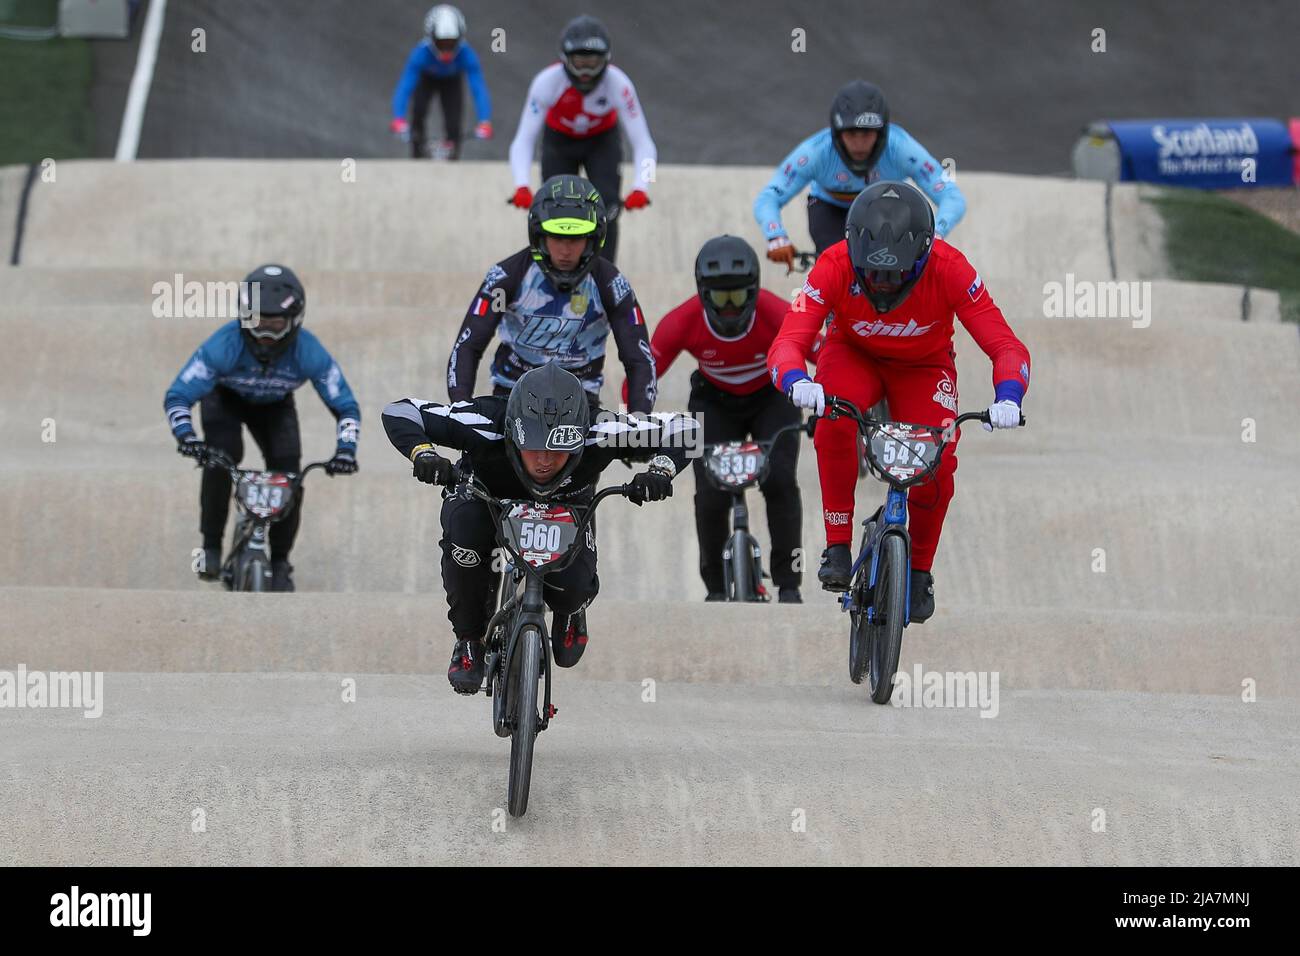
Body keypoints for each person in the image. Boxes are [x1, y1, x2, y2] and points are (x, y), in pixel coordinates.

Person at [767, 182, 1029, 622]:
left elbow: (1007, 347)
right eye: (872, 273)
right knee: (833, 422)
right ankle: (836, 544)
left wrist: (1008, 395)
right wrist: (796, 380)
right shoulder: (832, 264)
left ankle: (920, 570)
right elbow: (787, 342)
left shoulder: (952, 268)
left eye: (895, 274)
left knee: (939, 464)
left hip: (924, 368)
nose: (883, 285)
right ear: (852, 252)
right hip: (853, 356)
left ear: (924, 256)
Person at [382, 364, 698, 693]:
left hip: (568, 504)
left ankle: (571, 611)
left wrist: (661, 470)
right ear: (513, 432)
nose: (544, 461)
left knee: (571, 589)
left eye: (557, 450)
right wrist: (423, 453)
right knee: (465, 537)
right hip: (487, 494)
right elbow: (400, 411)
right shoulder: (485, 421)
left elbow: (688, 428)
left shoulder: (602, 430)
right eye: (533, 447)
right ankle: (468, 640)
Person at [624, 235, 804, 603]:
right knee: (710, 495)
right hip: (714, 402)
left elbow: (824, 353)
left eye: (737, 297)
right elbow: (642, 375)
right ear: (703, 294)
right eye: (720, 299)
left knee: (781, 482)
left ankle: (789, 585)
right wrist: (638, 423)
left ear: (753, 292)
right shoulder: (682, 321)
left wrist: (833, 402)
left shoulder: (778, 312)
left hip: (772, 399)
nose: (729, 309)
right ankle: (716, 589)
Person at [164, 265, 361, 592]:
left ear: (295, 322)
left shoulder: (309, 351)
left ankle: (281, 560)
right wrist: (187, 437)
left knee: (290, 474)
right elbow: (178, 396)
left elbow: (346, 407)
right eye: (257, 323)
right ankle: (211, 546)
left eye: (275, 325)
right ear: (243, 317)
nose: (265, 335)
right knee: (220, 458)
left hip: (274, 407)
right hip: (224, 400)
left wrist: (345, 450)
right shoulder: (221, 346)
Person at [448, 173, 657, 414]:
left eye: (576, 238)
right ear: (539, 234)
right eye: (557, 237)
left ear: (593, 237)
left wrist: (639, 419)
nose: (565, 250)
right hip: (510, 397)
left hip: (580, 402)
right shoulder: (506, 277)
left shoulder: (612, 284)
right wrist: (461, 407)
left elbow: (639, 359)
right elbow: (468, 346)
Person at [755, 80, 967, 272]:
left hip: (884, 210)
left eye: (866, 134)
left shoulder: (901, 148)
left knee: (895, 271)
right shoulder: (815, 153)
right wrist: (776, 235)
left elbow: (952, 196)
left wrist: (935, 236)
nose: (858, 144)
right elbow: (769, 197)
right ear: (837, 134)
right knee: (835, 269)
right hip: (831, 211)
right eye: (851, 134)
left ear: (881, 133)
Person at [507, 14, 656, 263]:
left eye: (593, 62)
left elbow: (644, 143)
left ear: (606, 60)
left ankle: (605, 276)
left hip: (602, 143)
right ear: (565, 59)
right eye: (579, 62)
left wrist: (643, 186)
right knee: (551, 210)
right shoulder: (546, 83)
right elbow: (523, 139)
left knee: (608, 209)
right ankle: (548, 272)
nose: (586, 72)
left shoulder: (619, 85)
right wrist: (520, 184)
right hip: (559, 143)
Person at [389, 5, 492, 160]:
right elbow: (405, 86)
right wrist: (398, 118)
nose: (446, 50)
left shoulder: (467, 54)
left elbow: (478, 88)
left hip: (452, 81)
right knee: (419, 110)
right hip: (426, 80)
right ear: (431, 38)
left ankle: (453, 155)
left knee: (454, 120)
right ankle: (417, 154)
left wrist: (484, 120)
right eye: (441, 43)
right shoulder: (420, 54)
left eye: (451, 43)